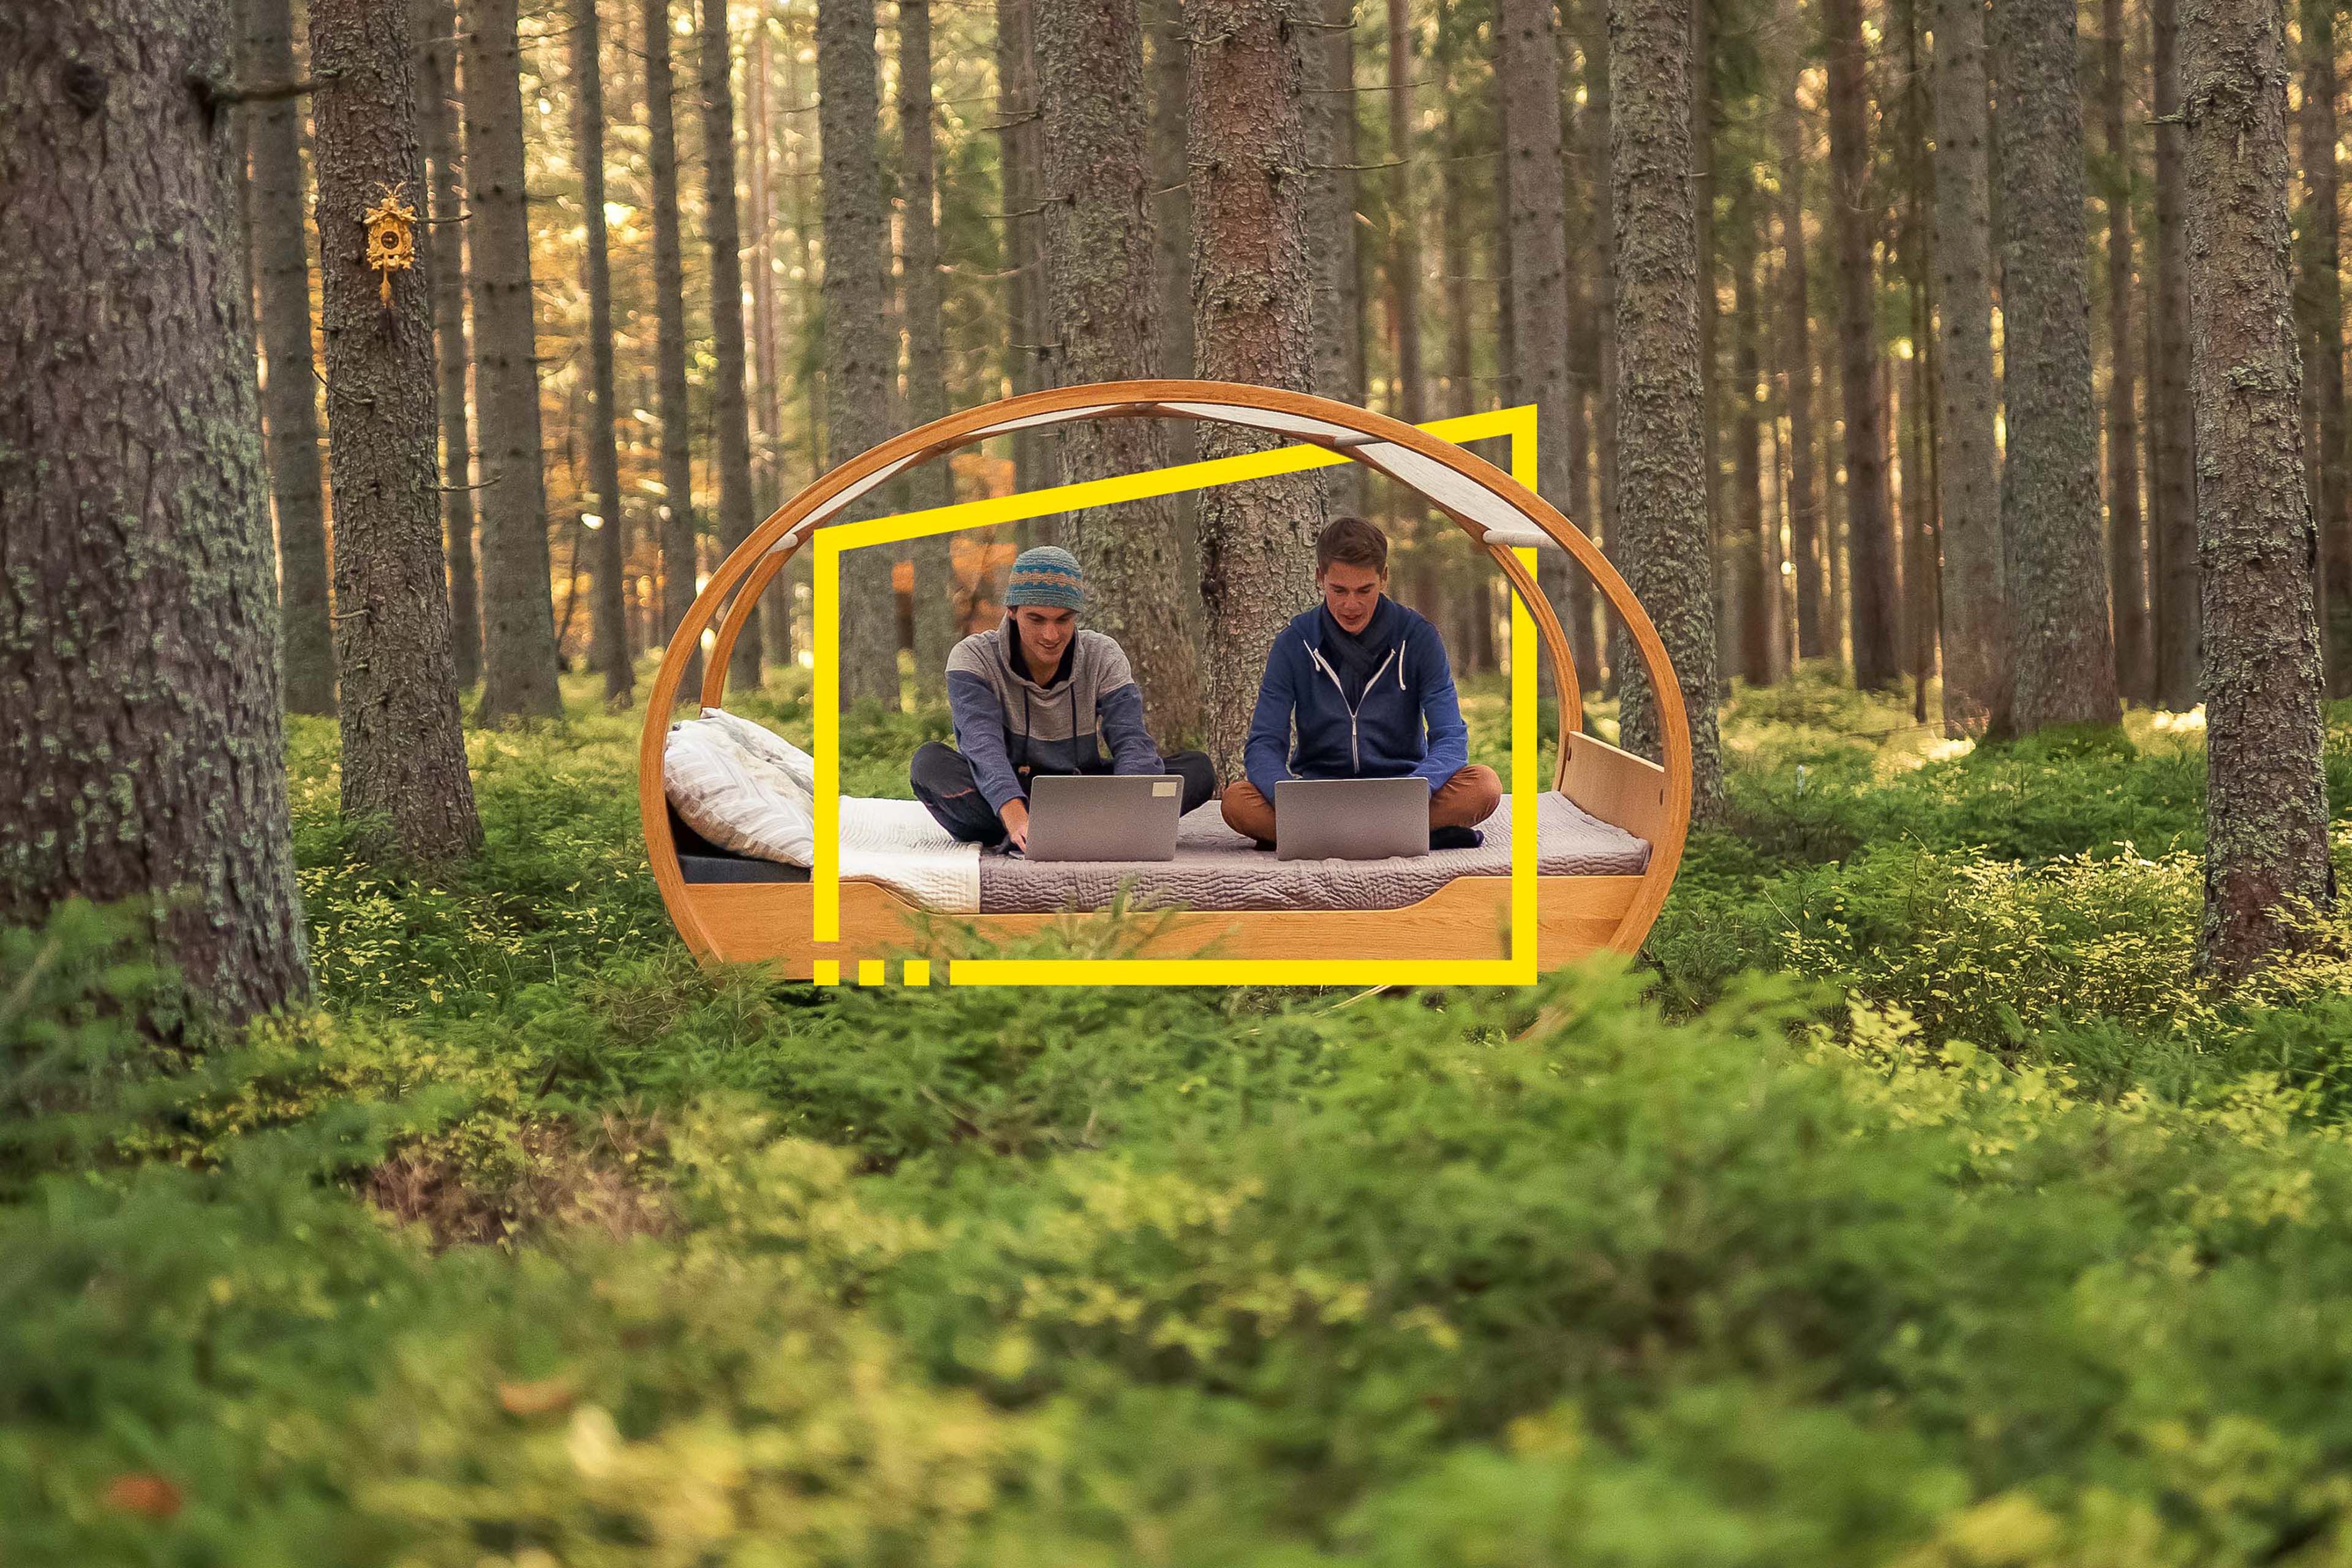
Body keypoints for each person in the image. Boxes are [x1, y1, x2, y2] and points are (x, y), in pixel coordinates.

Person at [1221, 516, 1502, 849]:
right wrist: (1288, 798)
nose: (1350, 605)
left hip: (1401, 791)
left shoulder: (1419, 638)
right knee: (1236, 801)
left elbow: (1451, 737)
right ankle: (1401, 834)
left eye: (1364, 590)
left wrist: (1418, 788)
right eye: (1338, 590)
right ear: (1319, 578)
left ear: (1383, 578)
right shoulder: (1294, 642)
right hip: (1319, 795)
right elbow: (1264, 743)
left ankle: (1324, 839)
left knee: (1484, 785)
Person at [911, 545, 1218, 850]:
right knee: (930, 765)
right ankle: (1044, 830)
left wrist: (1131, 805)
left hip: (1083, 790)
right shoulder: (973, 657)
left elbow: (1131, 740)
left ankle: (1085, 828)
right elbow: (982, 746)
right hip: (1010, 793)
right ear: (1012, 611)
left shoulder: (1103, 655)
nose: (1051, 635)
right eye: (1037, 619)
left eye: (1063, 620)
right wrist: (1014, 812)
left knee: (1196, 768)